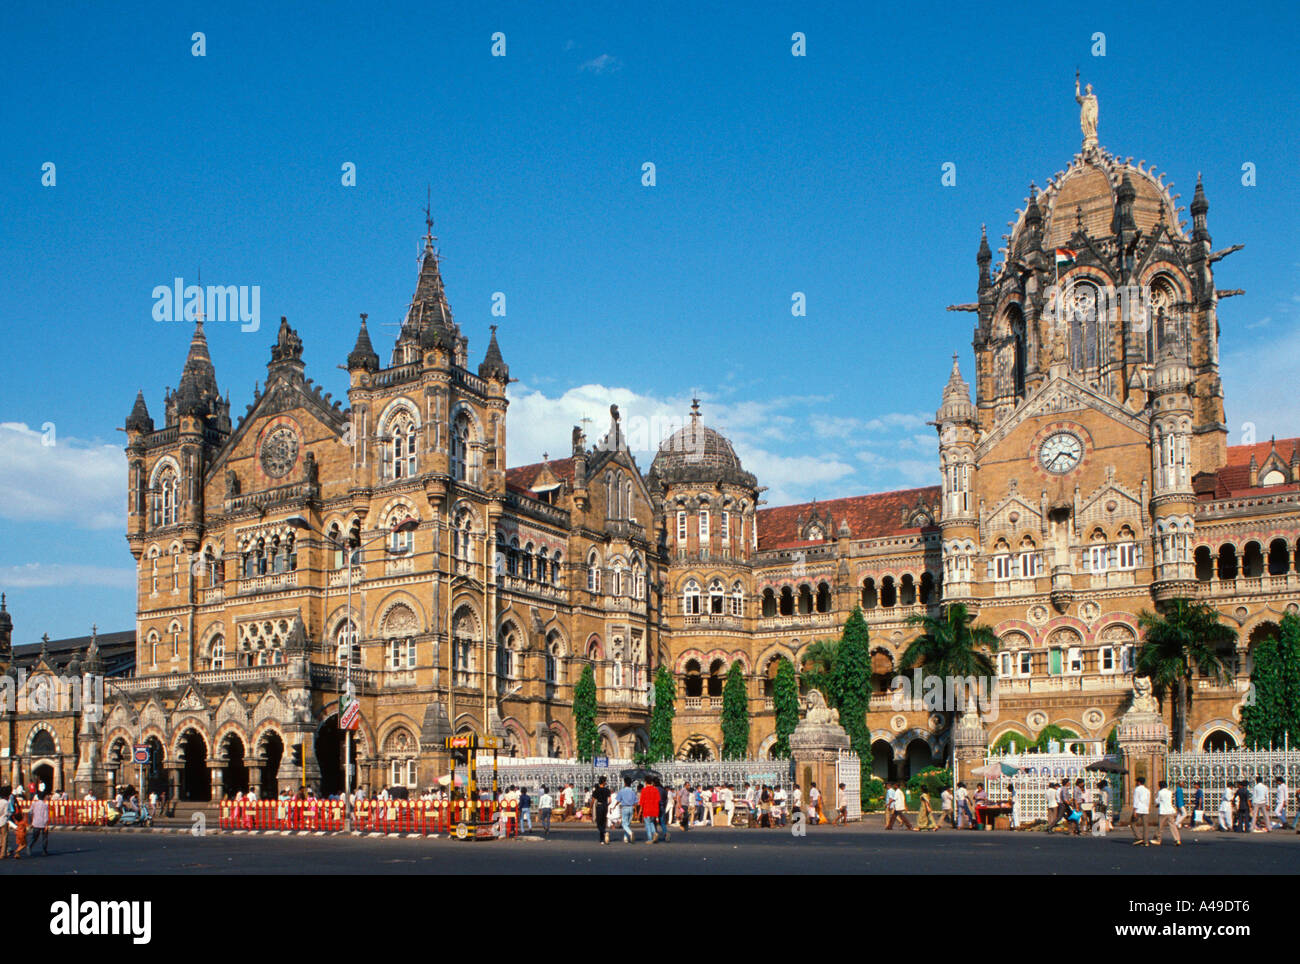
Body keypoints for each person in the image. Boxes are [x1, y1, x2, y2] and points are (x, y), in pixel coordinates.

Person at [1155, 780, 1181, 846]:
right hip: (1170, 810)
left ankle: (1158, 840)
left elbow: (1158, 801)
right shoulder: (1169, 792)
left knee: (1160, 826)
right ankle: (1177, 839)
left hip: (1163, 811)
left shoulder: (1160, 792)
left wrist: (1157, 803)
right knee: (1173, 826)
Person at [27, 791, 50, 857]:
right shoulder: (45, 805)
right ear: (44, 797)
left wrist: (30, 821)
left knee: (34, 837)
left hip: (35, 822)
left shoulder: (34, 804)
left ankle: (29, 846)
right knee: (44, 838)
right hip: (43, 823)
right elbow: (46, 815)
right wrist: (46, 825)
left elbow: (30, 812)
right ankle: (44, 851)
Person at [616, 777, 638, 843]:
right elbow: (636, 802)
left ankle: (630, 833)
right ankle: (626, 838)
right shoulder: (633, 792)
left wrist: (614, 806)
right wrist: (635, 811)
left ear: (625, 783)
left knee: (623, 824)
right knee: (627, 824)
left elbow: (618, 800)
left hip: (625, 808)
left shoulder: (622, 791)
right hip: (631, 808)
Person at [1131, 777, 1151, 846]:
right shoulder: (1147, 790)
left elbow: (1136, 800)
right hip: (1145, 809)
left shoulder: (1137, 789)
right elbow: (1148, 800)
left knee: (1133, 823)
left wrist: (1134, 810)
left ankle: (1139, 837)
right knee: (1145, 826)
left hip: (1138, 809)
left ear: (1139, 782)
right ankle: (1146, 841)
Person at [591, 776, 611, 844]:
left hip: (599, 806)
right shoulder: (607, 790)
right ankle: (602, 839)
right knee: (603, 822)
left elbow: (593, 800)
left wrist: (590, 807)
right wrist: (606, 805)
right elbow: (610, 801)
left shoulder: (596, 790)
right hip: (605, 806)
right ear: (604, 782)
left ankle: (604, 833)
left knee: (598, 823)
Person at [640, 779, 660, 844]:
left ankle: (650, 839)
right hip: (654, 810)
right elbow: (658, 800)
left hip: (647, 809)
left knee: (648, 825)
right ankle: (654, 833)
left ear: (645, 782)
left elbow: (642, 801)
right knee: (651, 823)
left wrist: (640, 810)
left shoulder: (644, 790)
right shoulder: (655, 790)